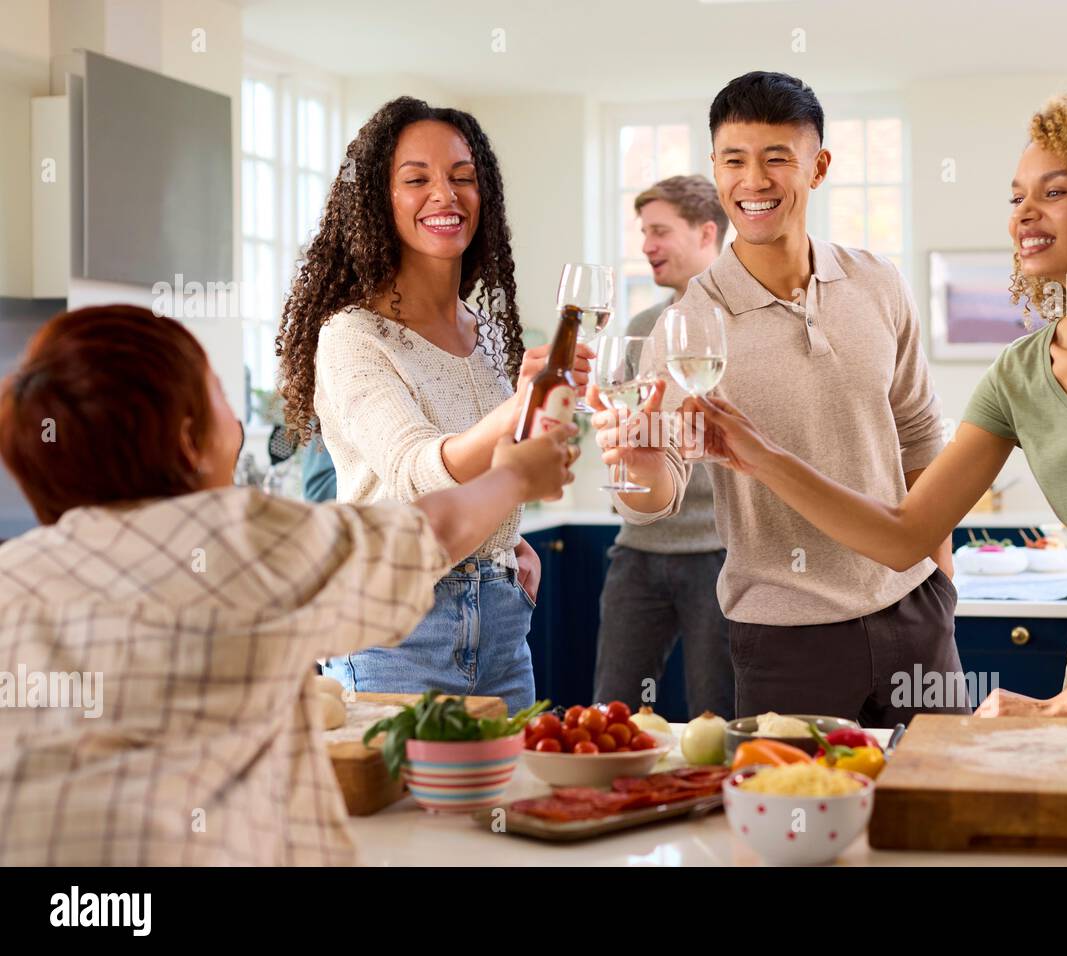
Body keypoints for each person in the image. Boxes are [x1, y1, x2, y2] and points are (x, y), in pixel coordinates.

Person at [687, 91, 1067, 721]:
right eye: (1016, 197)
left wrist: (1065, 707)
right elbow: (903, 538)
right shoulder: (1021, 371)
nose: (1024, 214)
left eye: (1053, 193)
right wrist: (758, 457)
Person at [0, 305, 575, 865]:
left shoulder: (12, 577)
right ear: (187, 440)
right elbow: (430, 534)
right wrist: (516, 476)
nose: (238, 417)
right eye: (218, 392)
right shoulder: (237, 538)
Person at [592, 72, 962, 725]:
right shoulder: (688, 325)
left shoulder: (877, 282)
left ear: (817, 167)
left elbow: (920, 437)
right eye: (734, 160)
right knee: (795, 820)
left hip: (915, 619)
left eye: (776, 159)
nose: (753, 181)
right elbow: (655, 498)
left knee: (938, 811)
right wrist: (641, 462)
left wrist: (941, 577)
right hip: (785, 638)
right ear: (715, 168)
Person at [276, 98, 590, 712]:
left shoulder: (486, 334)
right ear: (377, 199)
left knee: (508, 805)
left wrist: (504, 541)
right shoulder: (353, 336)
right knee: (405, 810)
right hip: (397, 632)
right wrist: (515, 411)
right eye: (416, 179)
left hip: (504, 629)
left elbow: (509, 473)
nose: (444, 195)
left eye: (462, 177)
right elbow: (415, 471)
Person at [593, 175, 734, 719]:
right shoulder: (644, 326)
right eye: (642, 232)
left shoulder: (738, 323)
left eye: (659, 231)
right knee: (612, 712)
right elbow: (627, 426)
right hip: (639, 549)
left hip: (716, 555)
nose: (647, 245)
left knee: (716, 717)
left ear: (705, 233)